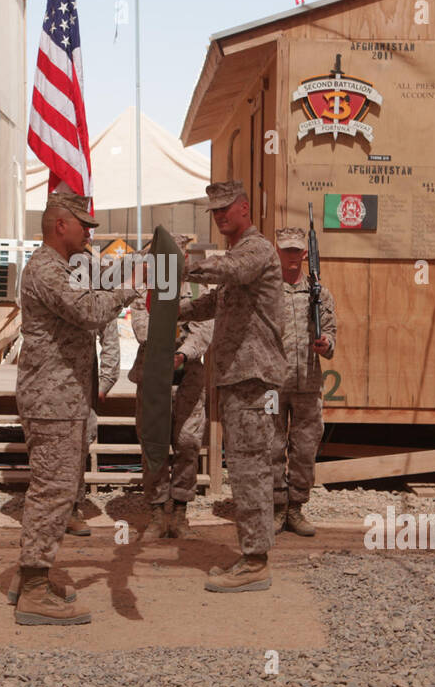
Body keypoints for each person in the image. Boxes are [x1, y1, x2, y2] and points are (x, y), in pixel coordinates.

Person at [13, 191, 140, 625]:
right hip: (54, 400)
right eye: (83, 224)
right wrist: (131, 288)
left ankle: (32, 576)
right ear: (59, 225)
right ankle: (32, 590)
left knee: (52, 488)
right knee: (54, 492)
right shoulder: (48, 270)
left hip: (61, 397)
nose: (90, 232)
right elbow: (88, 312)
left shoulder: (60, 267)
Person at [179, 180, 286, 592]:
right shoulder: (240, 256)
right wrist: (174, 309)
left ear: (244, 207)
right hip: (239, 377)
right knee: (245, 465)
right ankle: (253, 554)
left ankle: (255, 561)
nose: (221, 216)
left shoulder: (255, 251)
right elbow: (215, 302)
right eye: (215, 212)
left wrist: (182, 266)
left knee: (251, 468)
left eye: (226, 209)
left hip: (252, 378)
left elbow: (230, 271)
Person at [129, 233, 212, 540]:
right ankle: (155, 511)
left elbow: (204, 330)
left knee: (188, 444)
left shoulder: (197, 288)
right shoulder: (145, 289)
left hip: (187, 376)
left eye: (179, 255)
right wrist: (161, 347)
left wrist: (182, 353)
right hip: (153, 376)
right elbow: (140, 326)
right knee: (154, 445)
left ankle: (179, 512)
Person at [273, 227, 337, 536]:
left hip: (309, 383)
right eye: (286, 250)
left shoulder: (319, 293)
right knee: (271, 446)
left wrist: (327, 344)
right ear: (278, 251)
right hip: (273, 383)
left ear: (305, 253)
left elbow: (331, 331)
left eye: (296, 250)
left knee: (304, 449)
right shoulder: (268, 290)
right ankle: (275, 508)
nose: (291, 256)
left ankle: (295, 508)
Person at [68, 297, 120, 537]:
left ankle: (72, 508)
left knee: (79, 448)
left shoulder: (95, 292)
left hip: (83, 385)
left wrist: (106, 380)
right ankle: (46, 511)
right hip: (48, 385)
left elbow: (109, 337)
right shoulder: (48, 281)